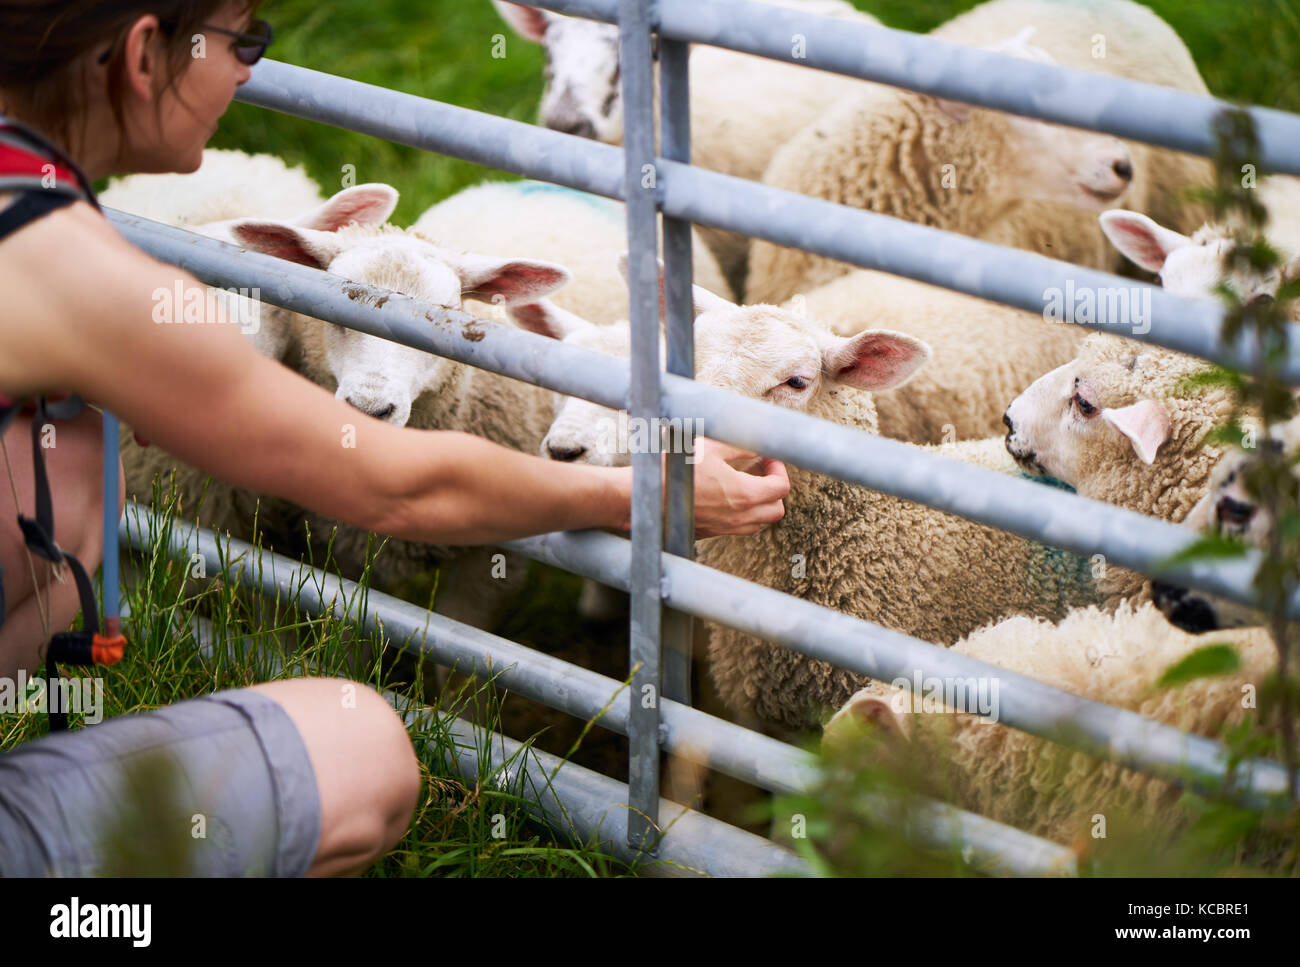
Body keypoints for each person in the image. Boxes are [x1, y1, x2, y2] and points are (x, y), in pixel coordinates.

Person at [0, 0, 789, 876]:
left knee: (69, 459)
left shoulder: (47, 216)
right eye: (242, 40)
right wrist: (644, 491)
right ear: (147, 53)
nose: (250, 69)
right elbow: (395, 486)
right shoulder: (63, 258)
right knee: (362, 742)